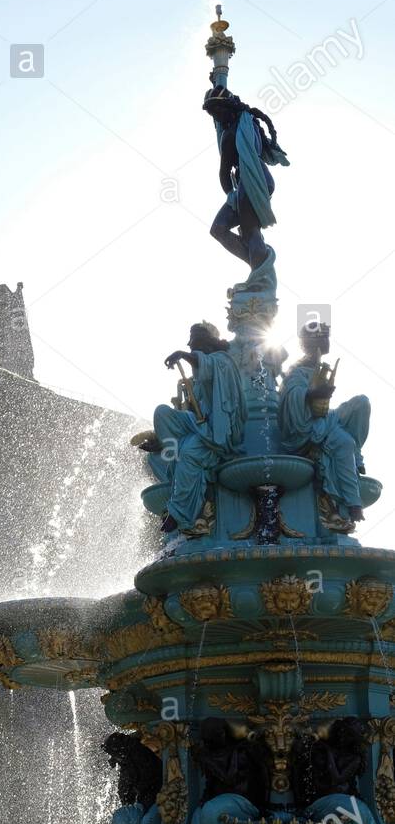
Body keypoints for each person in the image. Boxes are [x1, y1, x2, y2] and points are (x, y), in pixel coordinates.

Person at [138, 321, 244, 533]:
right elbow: (194, 410)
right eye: (189, 344)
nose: (190, 346)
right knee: (162, 413)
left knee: (189, 454)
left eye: (194, 342)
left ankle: (181, 514)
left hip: (219, 433)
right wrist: (162, 440)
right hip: (201, 424)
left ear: (209, 342)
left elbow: (208, 364)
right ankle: (171, 450)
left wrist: (183, 355)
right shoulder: (201, 370)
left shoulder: (223, 361)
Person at [278, 323, 369, 523]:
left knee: (361, 403)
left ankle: (358, 455)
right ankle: (353, 503)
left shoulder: (319, 367)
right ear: (309, 343)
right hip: (309, 428)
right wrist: (312, 393)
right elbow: (290, 396)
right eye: (321, 337)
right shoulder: (298, 370)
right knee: (344, 442)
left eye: (326, 337)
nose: (326, 341)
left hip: (327, 419)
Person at [203, 83, 289, 269]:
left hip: (249, 180)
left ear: (227, 108)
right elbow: (220, 120)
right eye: (212, 113)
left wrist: (230, 193)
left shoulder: (232, 133)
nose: (215, 116)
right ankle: (259, 269)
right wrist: (218, 80)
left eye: (217, 111)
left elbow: (224, 172)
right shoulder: (248, 122)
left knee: (238, 230)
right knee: (245, 230)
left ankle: (261, 268)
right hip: (261, 178)